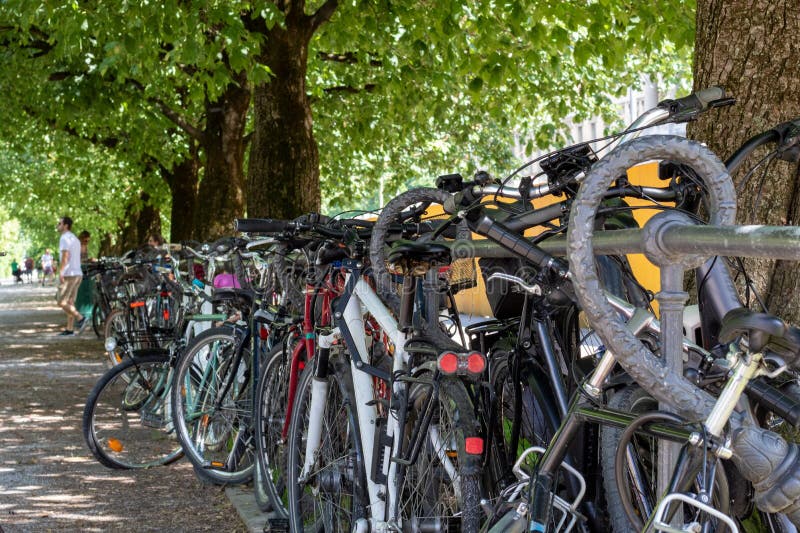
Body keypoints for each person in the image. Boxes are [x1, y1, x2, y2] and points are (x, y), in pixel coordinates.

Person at [56, 216, 85, 336]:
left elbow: (65, 257)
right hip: (78, 273)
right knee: (71, 302)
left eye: (59, 223)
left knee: (61, 301)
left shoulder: (64, 238)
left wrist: (61, 272)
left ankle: (81, 318)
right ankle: (70, 329)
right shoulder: (75, 239)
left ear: (65, 225)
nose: (57, 225)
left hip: (69, 274)